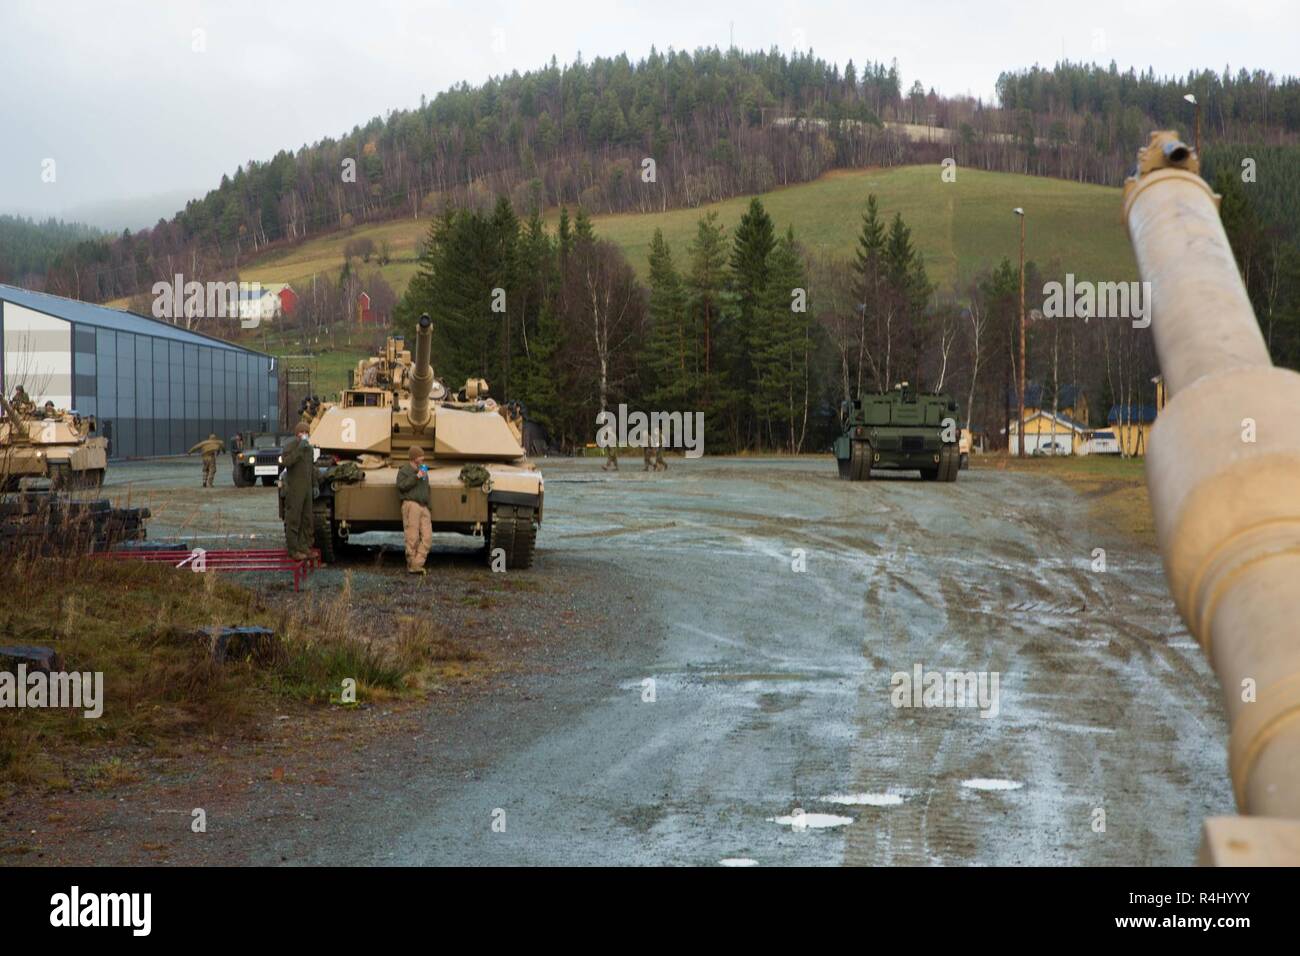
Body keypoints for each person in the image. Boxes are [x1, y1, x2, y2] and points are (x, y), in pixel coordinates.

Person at [279, 420, 317, 560]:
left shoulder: (310, 449)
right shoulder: (291, 446)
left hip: (306, 488)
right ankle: (293, 550)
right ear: (297, 434)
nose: (304, 435)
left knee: (307, 520)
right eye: (302, 432)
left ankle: (304, 547)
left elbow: (311, 468)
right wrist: (299, 449)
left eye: (307, 432)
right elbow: (286, 462)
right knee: (294, 519)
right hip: (294, 488)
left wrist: (315, 485)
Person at [396, 446, 433, 575]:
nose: (423, 458)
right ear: (414, 457)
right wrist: (416, 476)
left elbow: (426, 488)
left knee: (427, 537)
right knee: (412, 537)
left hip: (424, 506)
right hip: (411, 505)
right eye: (420, 456)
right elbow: (401, 486)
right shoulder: (404, 470)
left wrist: (429, 505)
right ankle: (412, 565)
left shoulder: (423, 468)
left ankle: (417, 564)